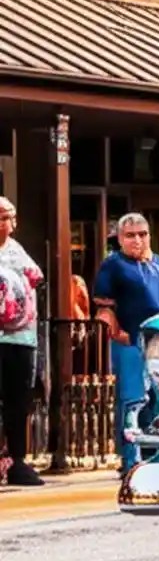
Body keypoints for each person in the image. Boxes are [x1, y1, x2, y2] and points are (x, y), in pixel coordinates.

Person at [92, 213, 159, 478]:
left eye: (142, 234)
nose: (137, 240)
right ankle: (131, 460)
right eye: (130, 235)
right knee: (132, 401)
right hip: (130, 340)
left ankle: (158, 455)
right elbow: (103, 306)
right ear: (120, 238)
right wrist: (118, 332)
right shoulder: (114, 264)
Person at [0, 196, 44, 486]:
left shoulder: (17, 251)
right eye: (3, 217)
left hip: (21, 336)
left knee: (19, 401)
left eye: (9, 218)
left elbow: (36, 277)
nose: (8, 225)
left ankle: (17, 460)